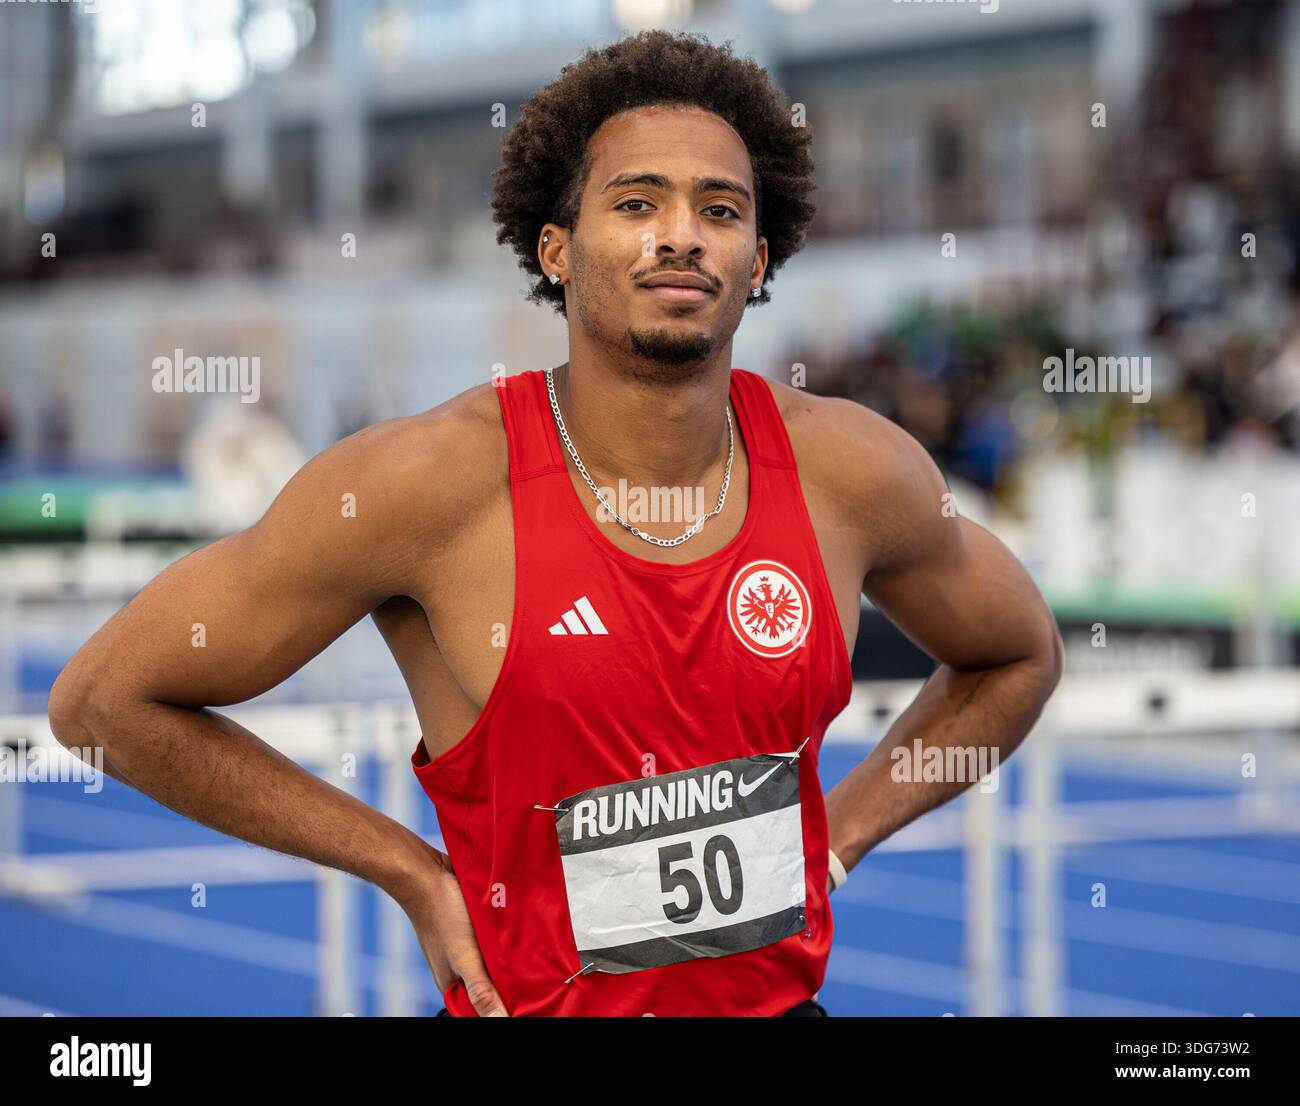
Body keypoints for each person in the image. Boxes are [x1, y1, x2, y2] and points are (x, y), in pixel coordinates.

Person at [49, 31, 1063, 1017]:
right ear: (556, 247)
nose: (681, 234)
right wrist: (406, 867)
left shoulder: (854, 467)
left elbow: (1019, 654)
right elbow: (103, 702)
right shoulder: (424, 483)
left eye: (720, 208)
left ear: (758, 258)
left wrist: (837, 838)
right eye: (636, 203)